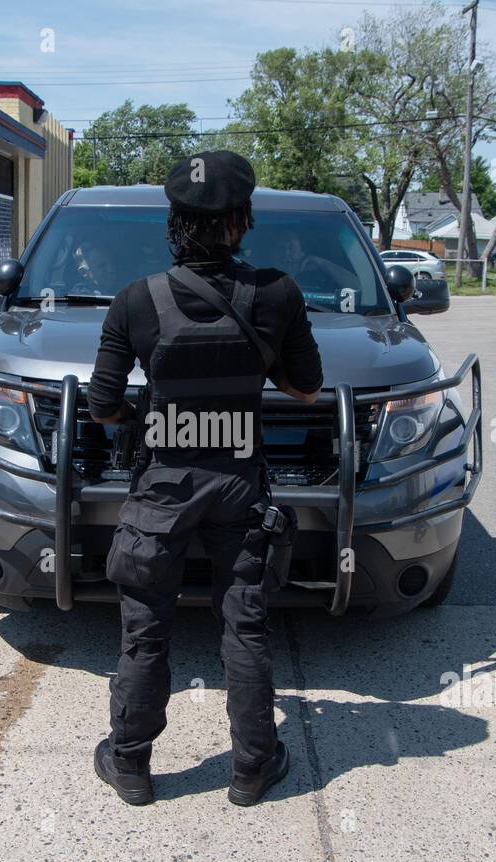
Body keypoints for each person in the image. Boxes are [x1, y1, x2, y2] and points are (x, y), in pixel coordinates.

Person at [87, 151, 323, 807]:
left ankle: (130, 765)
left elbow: (103, 402)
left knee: (144, 634)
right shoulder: (276, 294)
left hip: (161, 491)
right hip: (240, 491)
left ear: (174, 221)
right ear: (242, 219)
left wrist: (143, 415)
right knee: (244, 630)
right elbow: (307, 390)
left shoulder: (136, 300)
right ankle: (251, 770)